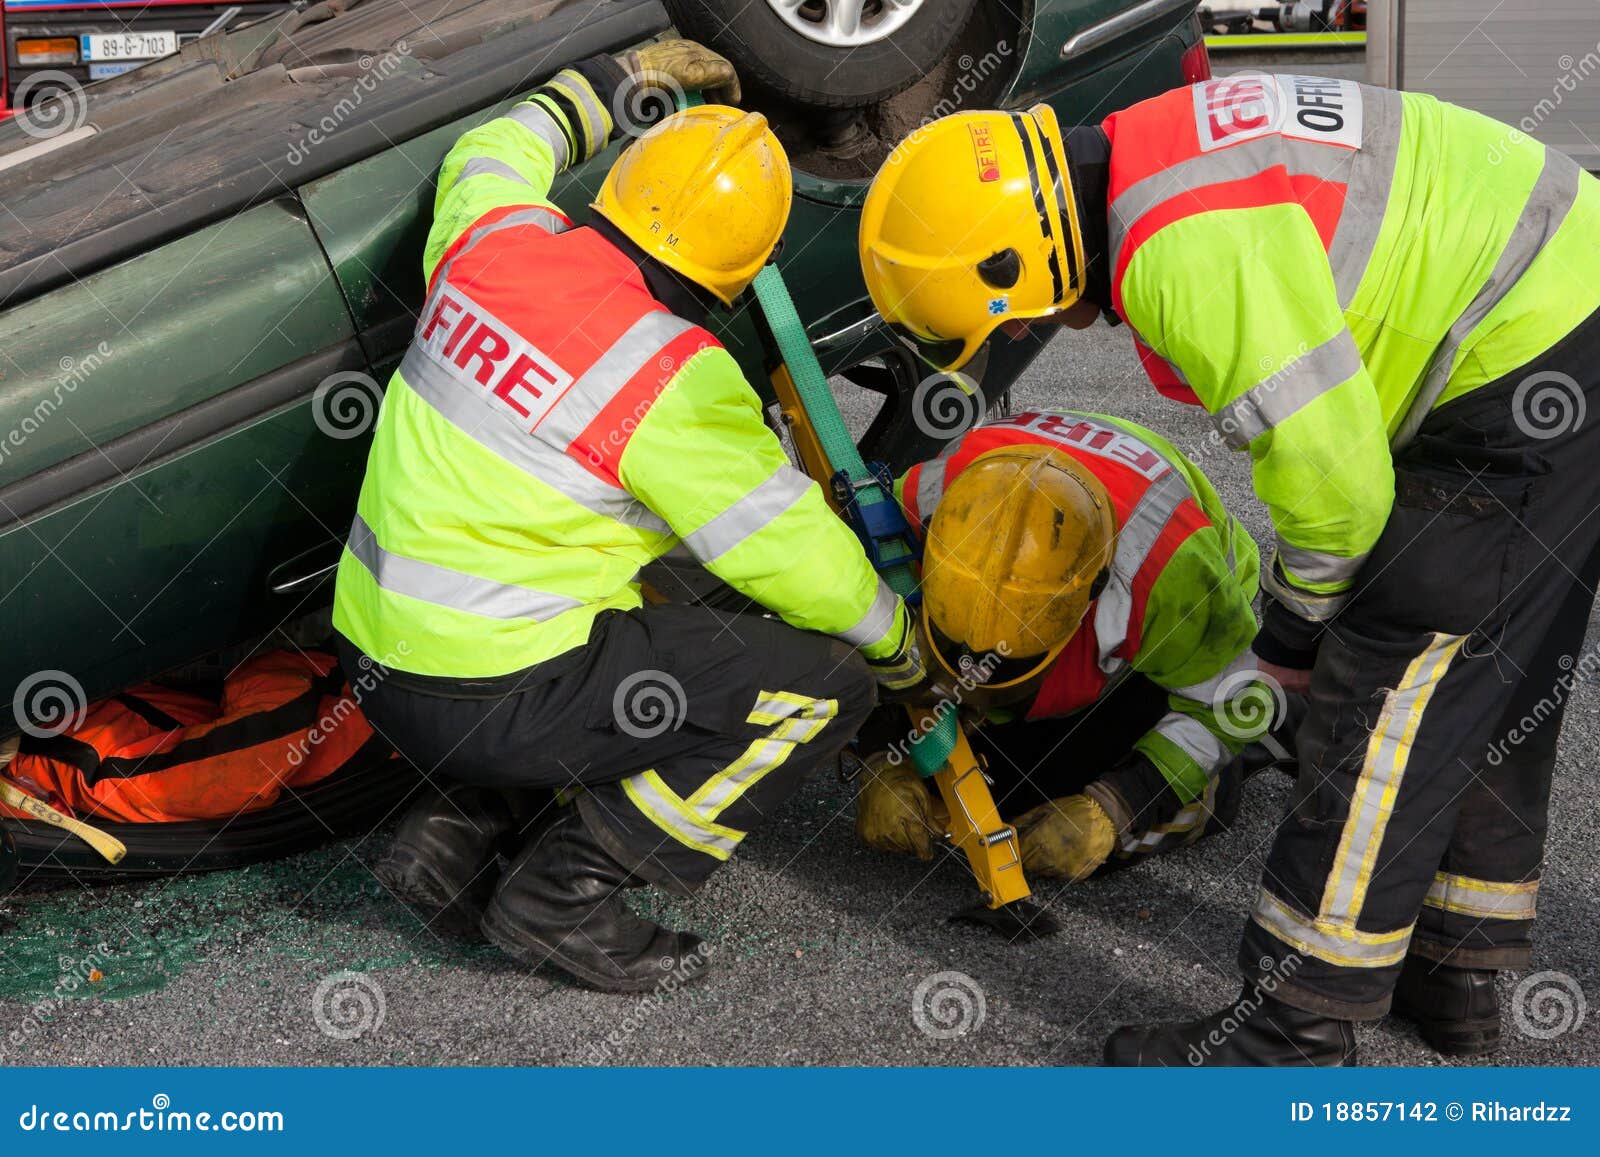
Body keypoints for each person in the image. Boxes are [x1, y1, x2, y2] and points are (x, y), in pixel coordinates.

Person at [857, 74, 1600, 1064]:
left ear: (1018, 262)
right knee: (1478, 680)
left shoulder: (1178, 250)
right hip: (1555, 314)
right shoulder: (1146, 153)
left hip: (1527, 349)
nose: (1047, 332)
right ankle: (1455, 970)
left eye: (1015, 320)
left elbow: (1334, 488)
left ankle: (1290, 1032)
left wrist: (1293, 641)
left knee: (1378, 690)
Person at [334, 41, 923, 994]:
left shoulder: (497, 242)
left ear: (621, 190)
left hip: (373, 663)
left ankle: (448, 831)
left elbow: (488, 152)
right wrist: (896, 643)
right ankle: (560, 899)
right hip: (486, 691)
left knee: (620, 594)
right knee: (818, 687)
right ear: (744, 268)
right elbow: (792, 553)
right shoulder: (673, 373)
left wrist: (612, 82)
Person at [855, 409, 1268, 884]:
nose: (971, 688)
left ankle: (1216, 788)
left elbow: (1236, 698)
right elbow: (853, 624)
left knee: (1060, 823)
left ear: (1089, 596)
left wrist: (1121, 802)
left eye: (1006, 671)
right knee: (960, 791)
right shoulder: (919, 500)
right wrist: (878, 754)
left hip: (1188, 647)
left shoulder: (1173, 577)